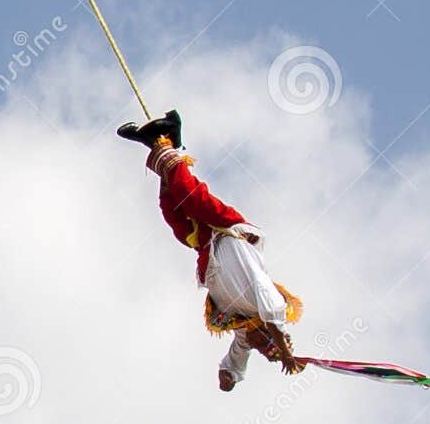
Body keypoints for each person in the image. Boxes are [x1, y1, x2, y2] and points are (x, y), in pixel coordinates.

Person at [117, 109, 303, 390]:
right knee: (188, 195)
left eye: (262, 351)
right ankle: (162, 141)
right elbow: (274, 316)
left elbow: (233, 364)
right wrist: (285, 353)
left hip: (205, 244)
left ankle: (164, 140)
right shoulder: (269, 304)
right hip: (227, 229)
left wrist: (230, 376)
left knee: (172, 211)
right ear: (268, 333)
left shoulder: (243, 328)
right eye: (266, 345)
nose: (257, 347)